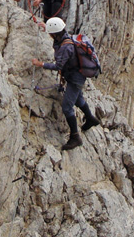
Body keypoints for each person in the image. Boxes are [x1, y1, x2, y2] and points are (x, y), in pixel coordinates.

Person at [31, 17, 101, 150]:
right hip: (77, 76)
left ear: (55, 34)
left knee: (67, 107)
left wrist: (41, 64)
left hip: (75, 79)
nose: (50, 35)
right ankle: (90, 118)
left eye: (51, 33)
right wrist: (46, 27)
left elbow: (58, 66)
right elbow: (57, 32)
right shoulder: (66, 37)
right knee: (78, 99)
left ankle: (75, 137)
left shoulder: (66, 47)